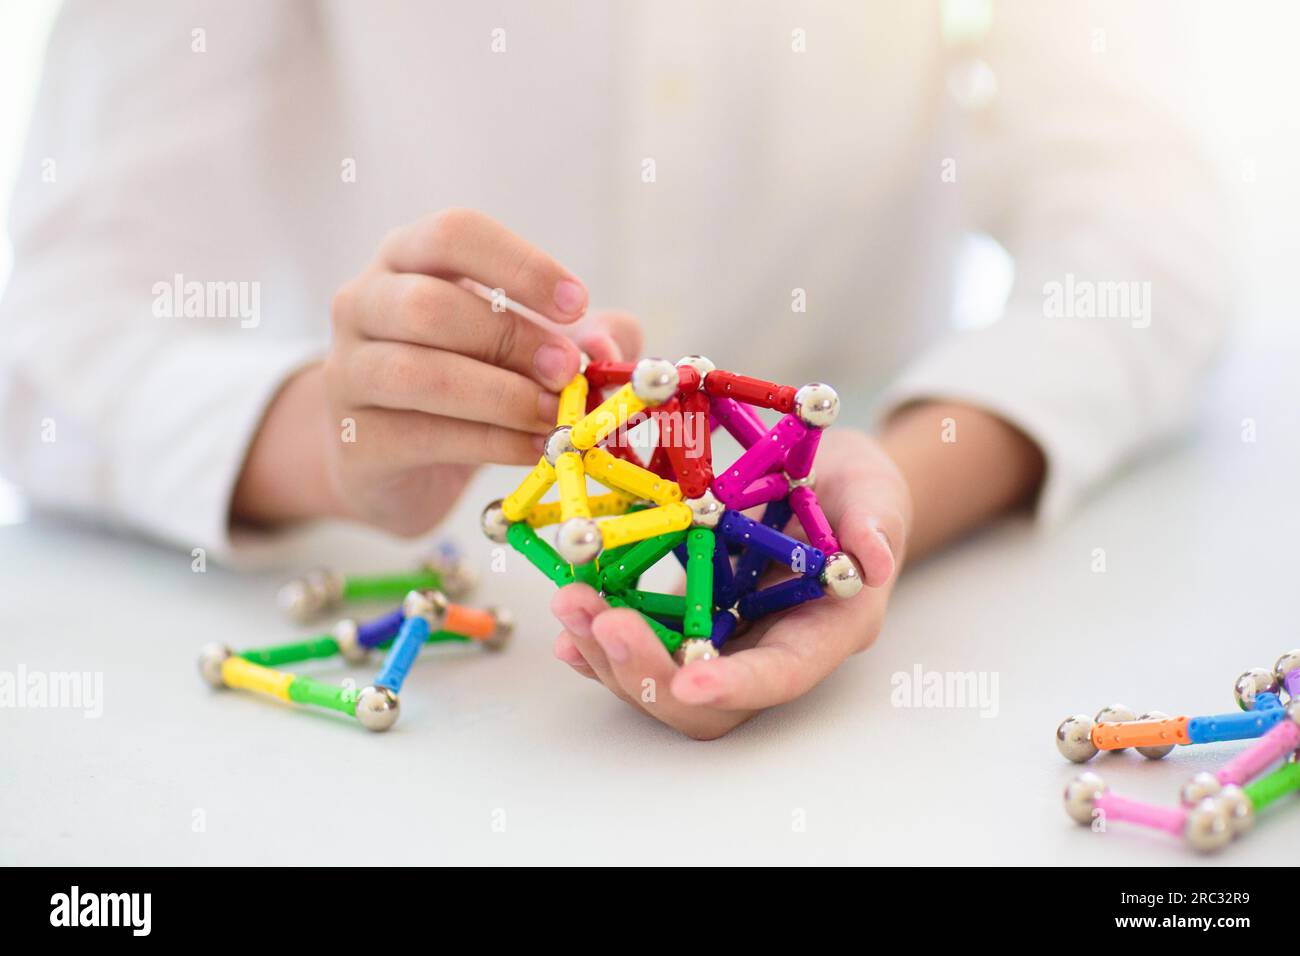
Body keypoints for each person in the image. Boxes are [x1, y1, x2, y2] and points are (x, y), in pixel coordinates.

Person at [0, 1, 1231, 737]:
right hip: (399, 676)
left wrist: (887, 484)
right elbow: (53, 332)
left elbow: (1146, 222)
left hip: (882, 651)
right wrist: (330, 438)